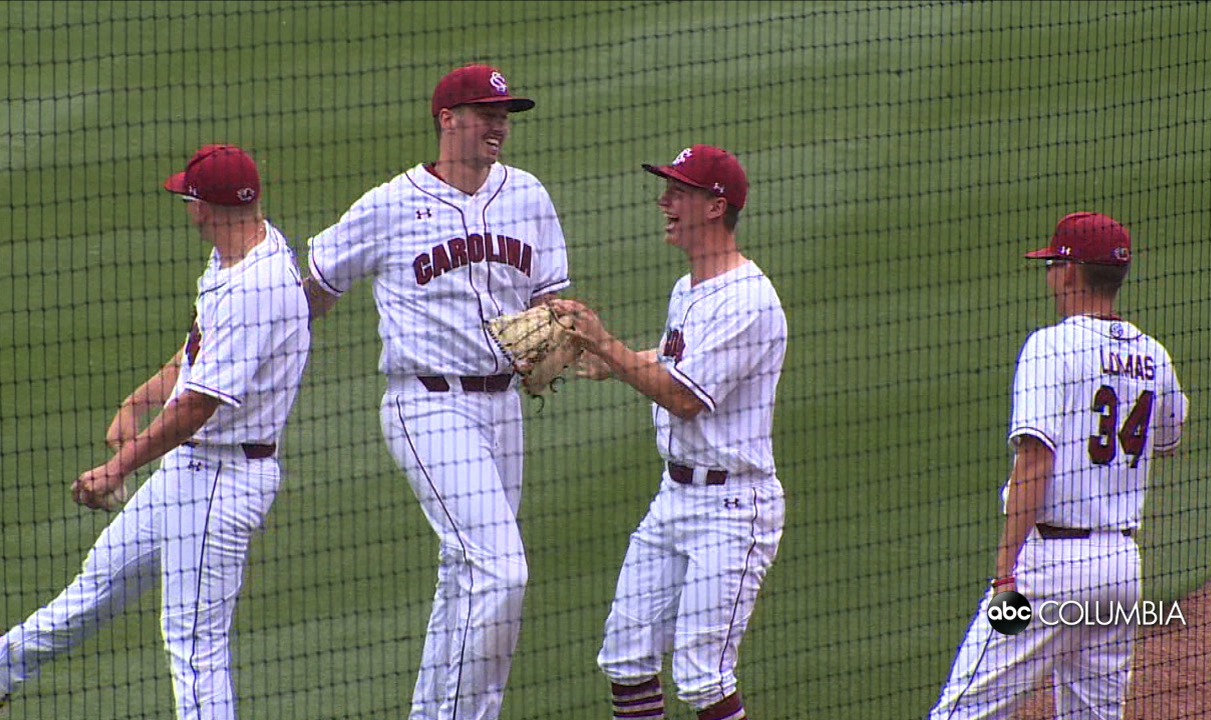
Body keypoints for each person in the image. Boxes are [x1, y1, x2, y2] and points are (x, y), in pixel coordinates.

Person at [0, 144, 310, 719]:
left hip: (224, 479)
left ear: (202, 206)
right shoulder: (239, 252)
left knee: (194, 645)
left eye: (187, 197)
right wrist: (138, 399)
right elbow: (198, 350)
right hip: (191, 471)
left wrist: (118, 467)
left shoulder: (256, 288)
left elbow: (197, 406)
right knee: (93, 591)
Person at [301, 64, 569, 720]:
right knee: (503, 572)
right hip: (428, 405)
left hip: (505, 409)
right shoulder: (389, 204)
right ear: (447, 118)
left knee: (466, 576)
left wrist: (561, 339)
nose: (500, 125)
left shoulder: (528, 194)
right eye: (486, 113)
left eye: (505, 114)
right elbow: (310, 289)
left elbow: (553, 301)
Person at [551, 144, 787, 720]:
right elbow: (678, 360)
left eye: (679, 193)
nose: (666, 202)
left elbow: (684, 397)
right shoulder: (689, 288)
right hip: (675, 499)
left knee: (704, 679)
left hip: (733, 507)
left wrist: (605, 342)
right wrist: (616, 359)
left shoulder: (750, 301)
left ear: (715, 207)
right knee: (626, 658)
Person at [928, 212, 1188, 719]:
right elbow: (1170, 439)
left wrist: (1005, 576)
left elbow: (1033, 462)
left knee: (960, 714)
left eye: (1051, 264)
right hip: (1119, 569)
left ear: (1068, 272)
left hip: (1052, 570)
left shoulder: (1051, 346)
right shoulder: (1155, 356)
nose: (1048, 275)